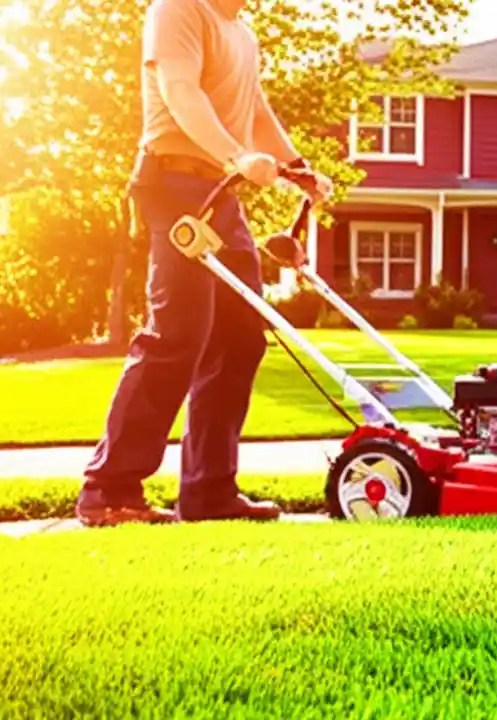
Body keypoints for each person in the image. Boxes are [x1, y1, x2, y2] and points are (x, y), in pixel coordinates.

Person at [75, 0, 333, 527]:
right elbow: (181, 92)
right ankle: (109, 490)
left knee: (241, 338)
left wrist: (296, 170)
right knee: (177, 335)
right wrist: (236, 156)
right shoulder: (177, 9)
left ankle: (210, 492)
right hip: (172, 183)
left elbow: (255, 109)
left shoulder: (240, 30)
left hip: (219, 193)